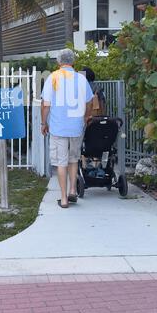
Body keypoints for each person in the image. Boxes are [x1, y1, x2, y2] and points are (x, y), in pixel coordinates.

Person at [41, 49, 93, 208]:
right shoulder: (81, 79)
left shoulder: (52, 78)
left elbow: (45, 105)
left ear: (58, 62)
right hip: (76, 127)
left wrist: (44, 123)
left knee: (61, 162)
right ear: (73, 62)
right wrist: (85, 117)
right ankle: (72, 190)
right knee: (73, 159)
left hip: (58, 127)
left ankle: (63, 199)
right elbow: (89, 101)